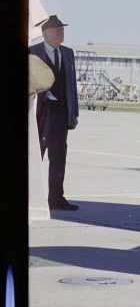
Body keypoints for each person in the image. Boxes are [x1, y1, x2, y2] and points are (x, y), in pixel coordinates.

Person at [30, 15, 79, 211]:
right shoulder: (33, 53)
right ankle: (31, 198)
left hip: (61, 114)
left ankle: (56, 198)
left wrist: (74, 113)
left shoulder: (68, 53)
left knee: (59, 157)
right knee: (36, 156)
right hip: (41, 115)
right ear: (45, 34)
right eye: (57, 30)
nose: (61, 33)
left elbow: (71, 86)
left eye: (62, 30)